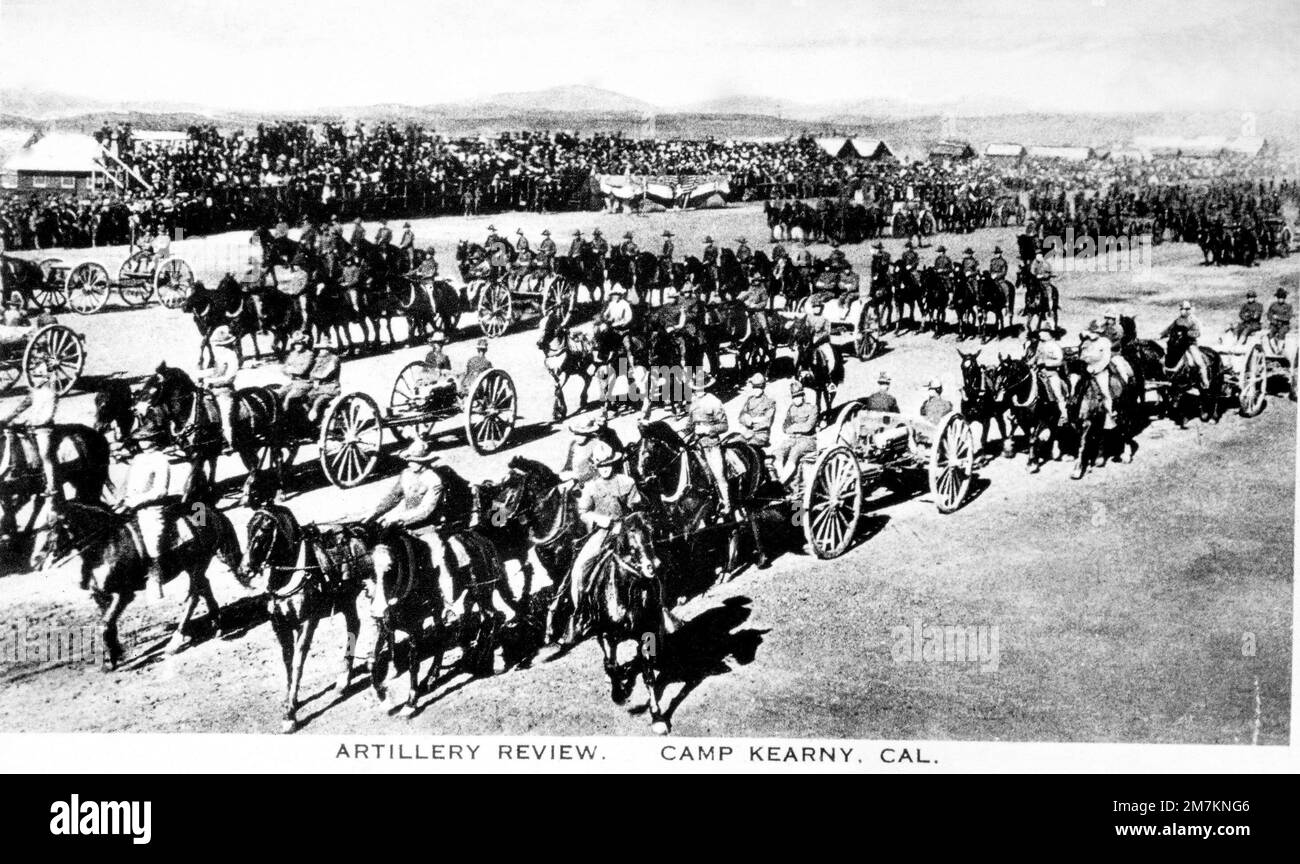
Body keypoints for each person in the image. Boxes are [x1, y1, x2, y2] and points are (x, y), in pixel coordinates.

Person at [564, 440, 643, 644]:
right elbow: (583, 512)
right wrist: (599, 519)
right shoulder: (591, 487)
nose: (605, 469)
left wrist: (625, 524)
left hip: (627, 531)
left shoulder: (627, 482)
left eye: (608, 465)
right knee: (580, 568)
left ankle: (660, 609)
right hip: (602, 532)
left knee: (650, 564)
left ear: (613, 464)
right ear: (596, 467)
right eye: (601, 466)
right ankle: (580, 614)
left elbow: (637, 509)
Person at [116, 425, 173, 599]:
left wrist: (137, 501)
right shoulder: (138, 458)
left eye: (146, 439)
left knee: (151, 541)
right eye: (140, 440)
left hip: (150, 507)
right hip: (129, 504)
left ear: (155, 440)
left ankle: (155, 579)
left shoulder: (161, 459)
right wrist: (122, 499)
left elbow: (160, 491)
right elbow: (128, 483)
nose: (142, 443)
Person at [0, 377, 59, 502]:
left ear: (45, 379)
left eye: (38, 377)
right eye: (34, 376)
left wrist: (32, 422)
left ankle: (51, 485)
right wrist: (6, 420)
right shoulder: (34, 393)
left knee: (45, 454)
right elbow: (20, 408)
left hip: (43, 429)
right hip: (30, 427)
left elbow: (48, 415)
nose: (34, 380)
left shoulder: (51, 394)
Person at [688, 371, 730, 516]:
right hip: (696, 444)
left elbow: (724, 426)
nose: (698, 390)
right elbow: (689, 425)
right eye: (695, 387)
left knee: (718, 475)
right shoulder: (692, 402)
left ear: (705, 386)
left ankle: (727, 504)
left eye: (700, 387)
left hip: (712, 445)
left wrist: (707, 430)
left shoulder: (714, 402)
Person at [195, 325, 240, 453]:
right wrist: (199, 374)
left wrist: (211, 382)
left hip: (225, 392)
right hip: (212, 390)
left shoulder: (232, 356)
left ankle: (228, 442)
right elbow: (215, 371)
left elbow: (230, 377)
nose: (217, 348)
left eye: (219, 345)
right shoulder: (219, 357)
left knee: (225, 417)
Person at [1160, 301, 1210, 389]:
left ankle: (1204, 380)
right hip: (1177, 345)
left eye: (1187, 309)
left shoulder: (1193, 321)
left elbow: (1197, 333)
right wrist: (1162, 334)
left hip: (1189, 345)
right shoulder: (1177, 321)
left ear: (1190, 309)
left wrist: (1187, 333)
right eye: (1182, 309)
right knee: (1162, 358)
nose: (1184, 311)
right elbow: (1169, 329)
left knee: (1199, 362)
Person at [774, 382, 817, 484]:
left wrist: (793, 427)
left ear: (803, 396)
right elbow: (784, 427)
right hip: (793, 439)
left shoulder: (812, 408)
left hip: (809, 440)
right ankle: (778, 479)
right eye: (794, 397)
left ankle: (782, 482)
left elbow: (808, 427)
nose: (796, 399)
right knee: (779, 451)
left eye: (799, 396)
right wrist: (793, 428)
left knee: (795, 452)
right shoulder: (791, 409)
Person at [279, 330, 316, 420]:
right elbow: (283, 369)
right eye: (295, 344)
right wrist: (289, 371)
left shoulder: (309, 354)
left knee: (289, 398)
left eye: (299, 344)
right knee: (279, 394)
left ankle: (288, 418)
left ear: (304, 344)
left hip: (305, 383)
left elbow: (302, 371)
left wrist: (290, 370)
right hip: (294, 382)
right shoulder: (292, 354)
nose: (297, 346)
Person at [1031, 325, 1069, 411]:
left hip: (1051, 373)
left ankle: (1064, 414)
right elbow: (1035, 357)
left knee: (1057, 393)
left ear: (1049, 334)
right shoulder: (1040, 345)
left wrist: (1045, 363)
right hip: (1037, 372)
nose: (1040, 334)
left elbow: (1060, 360)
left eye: (1043, 332)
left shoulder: (1055, 346)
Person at [559, 418, 603, 486]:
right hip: (577, 476)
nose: (580, 438)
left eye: (582, 434)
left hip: (592, 479)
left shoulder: (597, 444)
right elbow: (567, 465)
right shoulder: (573, 444)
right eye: (578, 434)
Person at [737, 373, 776, 449]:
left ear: (763, 387)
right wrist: (747, 419)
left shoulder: (769, 402)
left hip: (761, 434)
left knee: (748, 448)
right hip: (747, 432)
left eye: (759, 388)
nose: (756, 390)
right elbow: (740, 417)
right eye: (754, 388)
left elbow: (767, 422)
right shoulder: (749, 400)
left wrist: (751, 421)